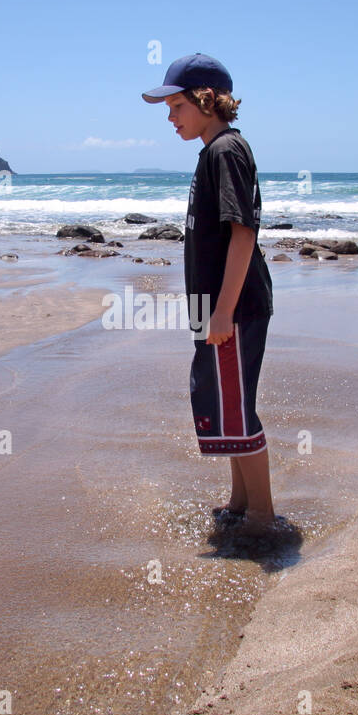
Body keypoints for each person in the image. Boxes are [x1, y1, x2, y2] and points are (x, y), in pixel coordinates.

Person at [142, 53, 280, 540]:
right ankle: (240, 504)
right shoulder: (213, 150)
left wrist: (222, 311)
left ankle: (263, 519)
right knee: (225, 405)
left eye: (176, 105)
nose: (170, 116)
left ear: (205, 100)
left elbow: (244, 232)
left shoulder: (225, 151)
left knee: (236, 410)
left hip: (232, 308)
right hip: (217, 307)